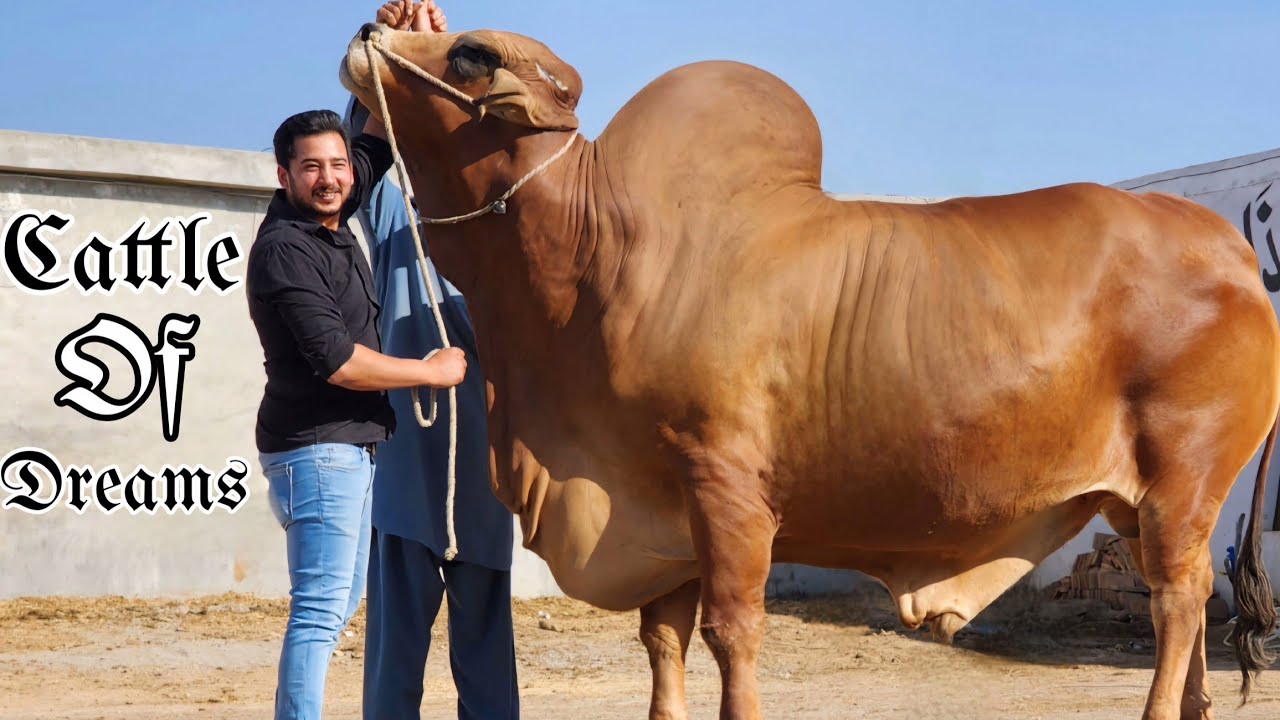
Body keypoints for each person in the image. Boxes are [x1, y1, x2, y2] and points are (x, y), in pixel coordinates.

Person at [245, 7, 464, 717]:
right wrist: (431, 373)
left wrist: (396, 37)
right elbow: (341, 363)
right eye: (312, 168)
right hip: (320, 453)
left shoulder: (335, 210)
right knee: (318, 615)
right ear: (284, 175)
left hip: (346, 450)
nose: (332, 177)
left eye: (337, 166)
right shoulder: (288, 249)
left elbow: (376, 138)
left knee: (330, 612)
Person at [344, 3, 520, 718]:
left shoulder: (505, 241)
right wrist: (404, 48)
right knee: (393, 668)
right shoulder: (395, 219)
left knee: (487, 663)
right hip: (408, 474)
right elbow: (368, 147)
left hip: (482, 478)